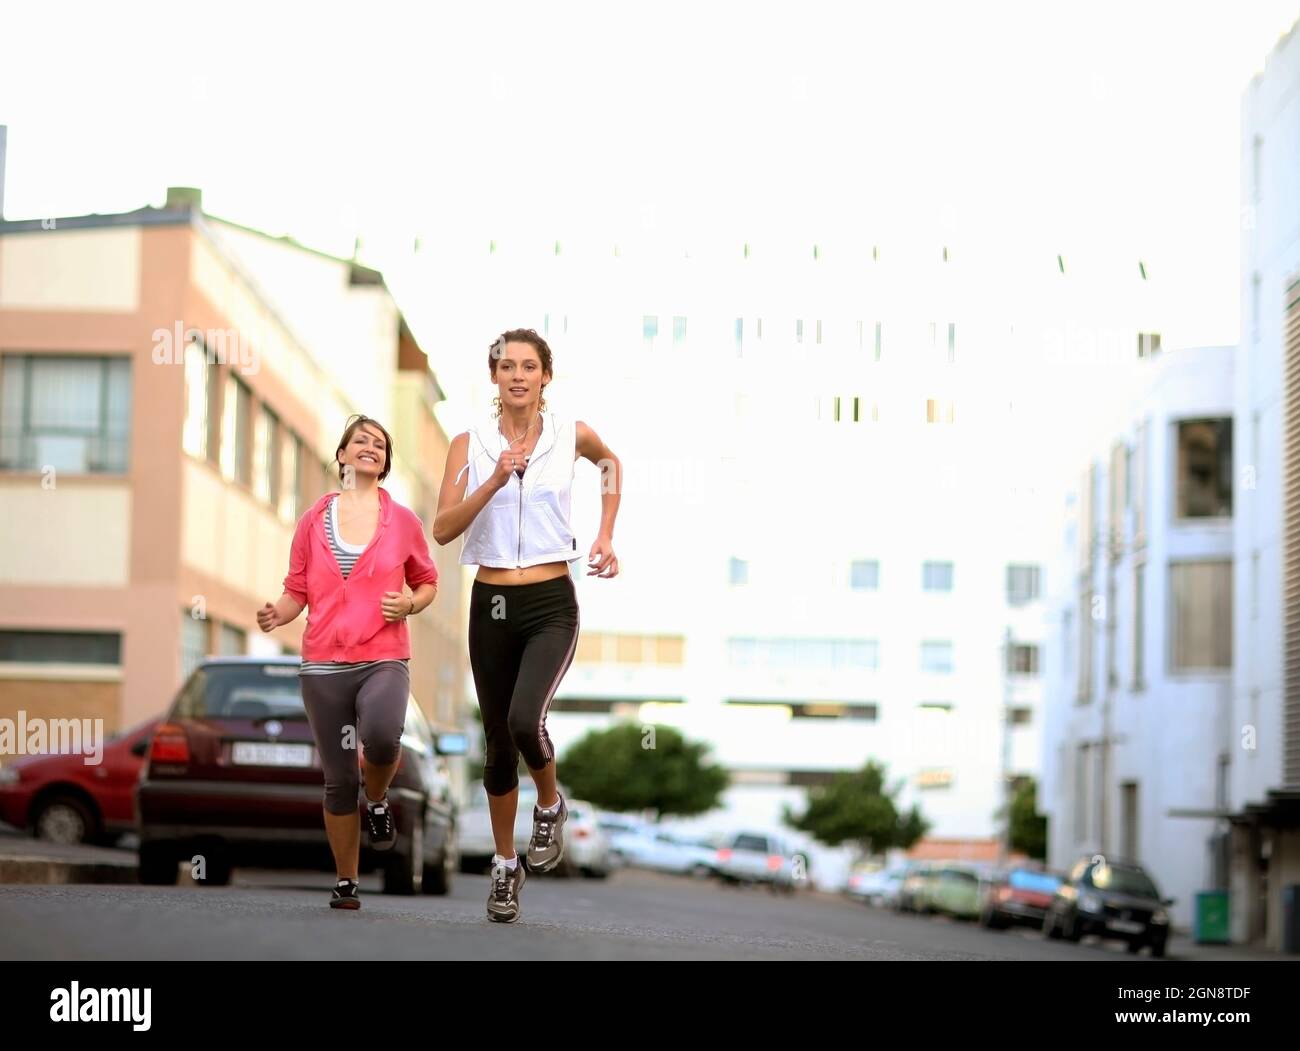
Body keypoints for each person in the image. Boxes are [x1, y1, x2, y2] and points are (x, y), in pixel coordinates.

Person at [434, 328, 622, 922]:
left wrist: (606, 533)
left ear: (545, 376)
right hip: (490, 601)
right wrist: (492, 480)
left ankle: (548, 805)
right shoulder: (469, 443)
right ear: (494, 377)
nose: (518, 374)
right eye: (507, 366)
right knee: (495, 746)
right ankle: (505, 866)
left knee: (523, 719)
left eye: (529, 366)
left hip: (549, 600)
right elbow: (442, 528)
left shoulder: (571, 435)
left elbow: (610, 464)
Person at [258, 414, 439, 909]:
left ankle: (377, 800)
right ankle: (346, 881)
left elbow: (427, 582)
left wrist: (409, 604)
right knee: (338, 779)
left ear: (384, 463)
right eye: (360, 441)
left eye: (379, 444)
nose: (370, 448)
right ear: (341, 456)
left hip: (382, 655)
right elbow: (296, 591)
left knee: (382, 736)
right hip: (322, 665)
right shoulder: (312, 520)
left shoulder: (402, 521)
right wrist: (279, 612)